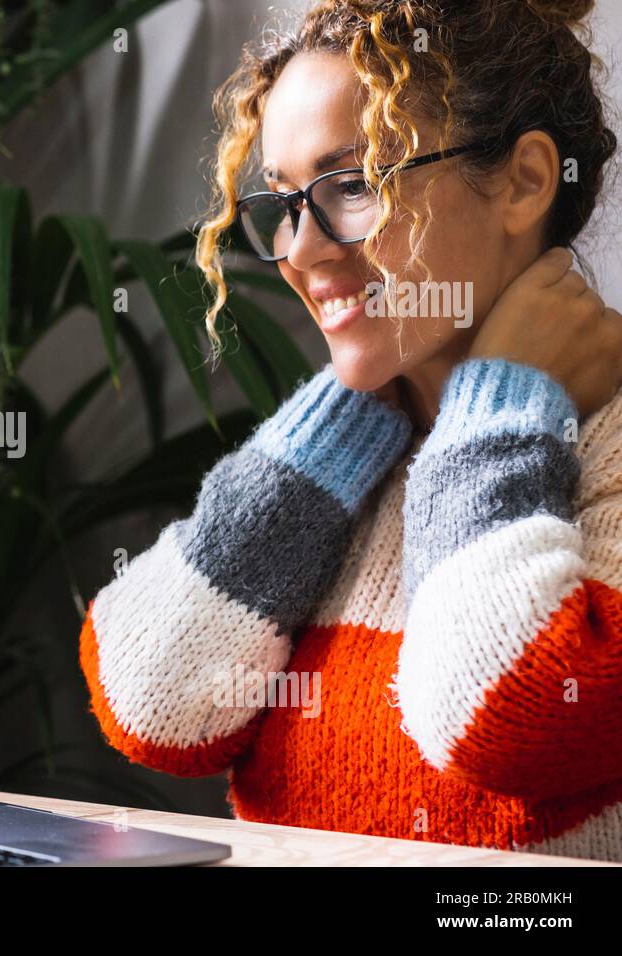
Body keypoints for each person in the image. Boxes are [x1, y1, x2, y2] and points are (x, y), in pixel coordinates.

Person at [80, 0, 622, 861]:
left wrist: (501, 409)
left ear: (525, 181)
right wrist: (341, 420)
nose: (300, 251)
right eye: (287, 203)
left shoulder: (610, 451)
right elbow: (151, 702)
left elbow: (505, 713)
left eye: (356, 184)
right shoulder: (345, 460)